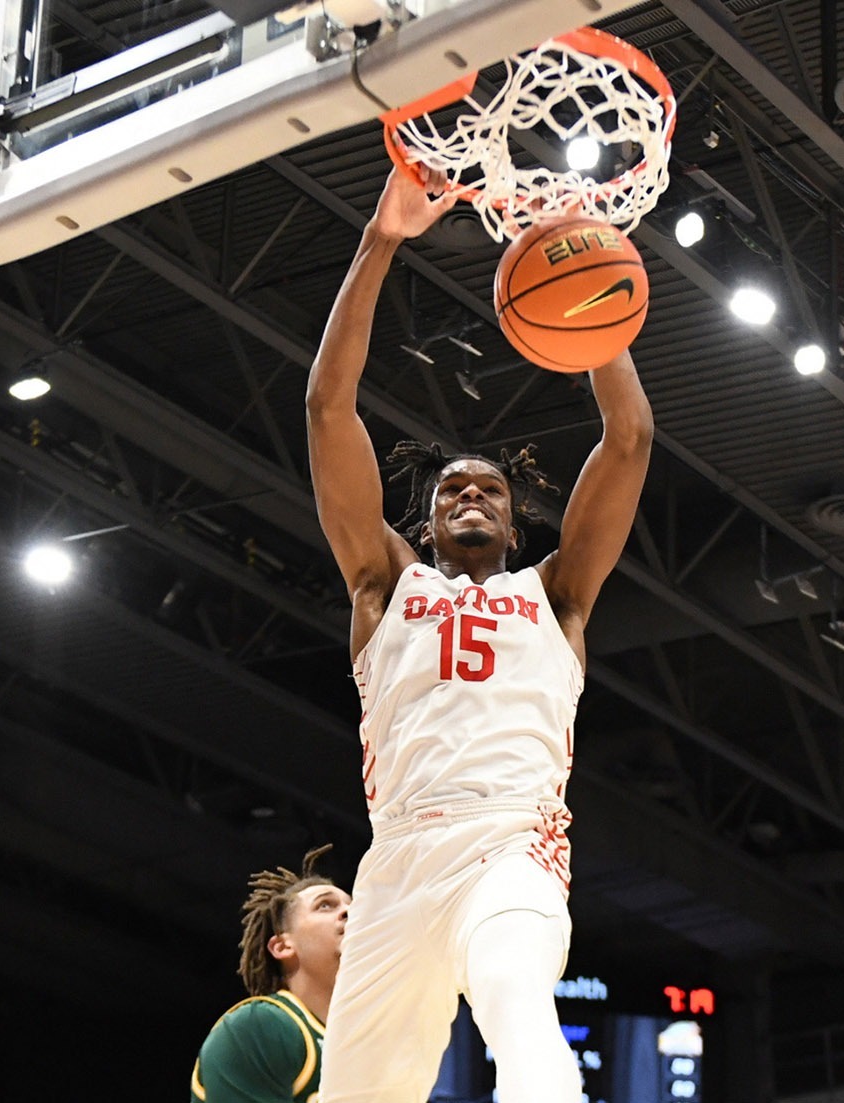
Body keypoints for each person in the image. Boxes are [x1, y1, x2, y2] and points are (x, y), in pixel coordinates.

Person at [304, 167, 653, 1103]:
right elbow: (327, 410)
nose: (468, 494)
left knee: (516, 1004)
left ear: (513, 524)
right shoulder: (385, 586)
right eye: (450, 488)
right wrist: (381, 240)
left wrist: (592, 306)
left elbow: (628, 439)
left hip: (514, 845)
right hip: (401, 858)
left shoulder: (559, 596)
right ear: (423, 526)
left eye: (488, 490)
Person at [191, 846, 350, 1103]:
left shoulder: (378, 1033)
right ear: (283, 946)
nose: (348, 912)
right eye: (325, 906)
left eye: (353, 905)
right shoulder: (261, 1026)